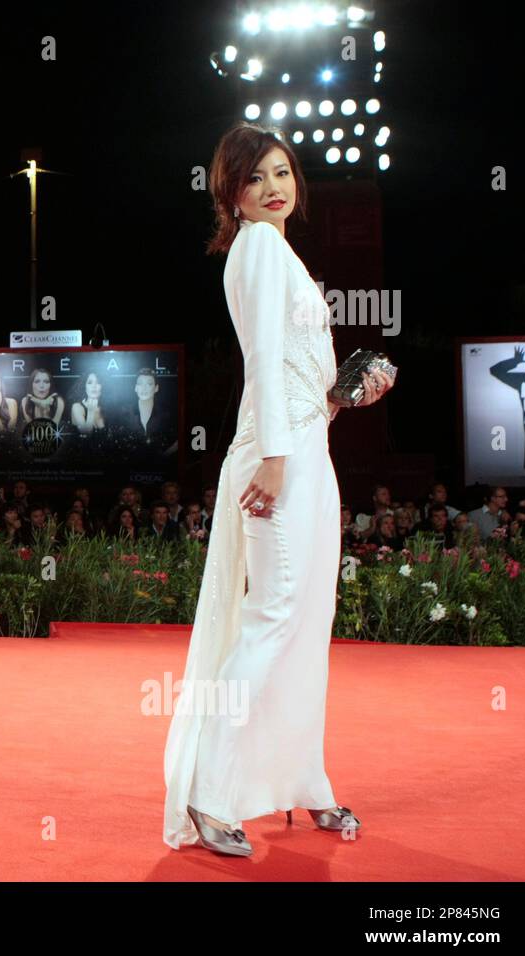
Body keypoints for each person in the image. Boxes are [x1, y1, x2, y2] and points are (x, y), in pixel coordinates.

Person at [163, 122, 394, 857]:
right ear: (229, 193)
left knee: (304, 622)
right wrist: (271, 457)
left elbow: (297, 379)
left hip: (304, 452)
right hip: (280, 462)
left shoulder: (280, 251)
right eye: (255, 177)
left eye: (282, 171)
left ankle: (305, 781)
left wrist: (345, 395)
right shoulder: (259, 247)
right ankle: (211, 790)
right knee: (272, 619)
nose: (273, 187)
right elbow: (262, 361)